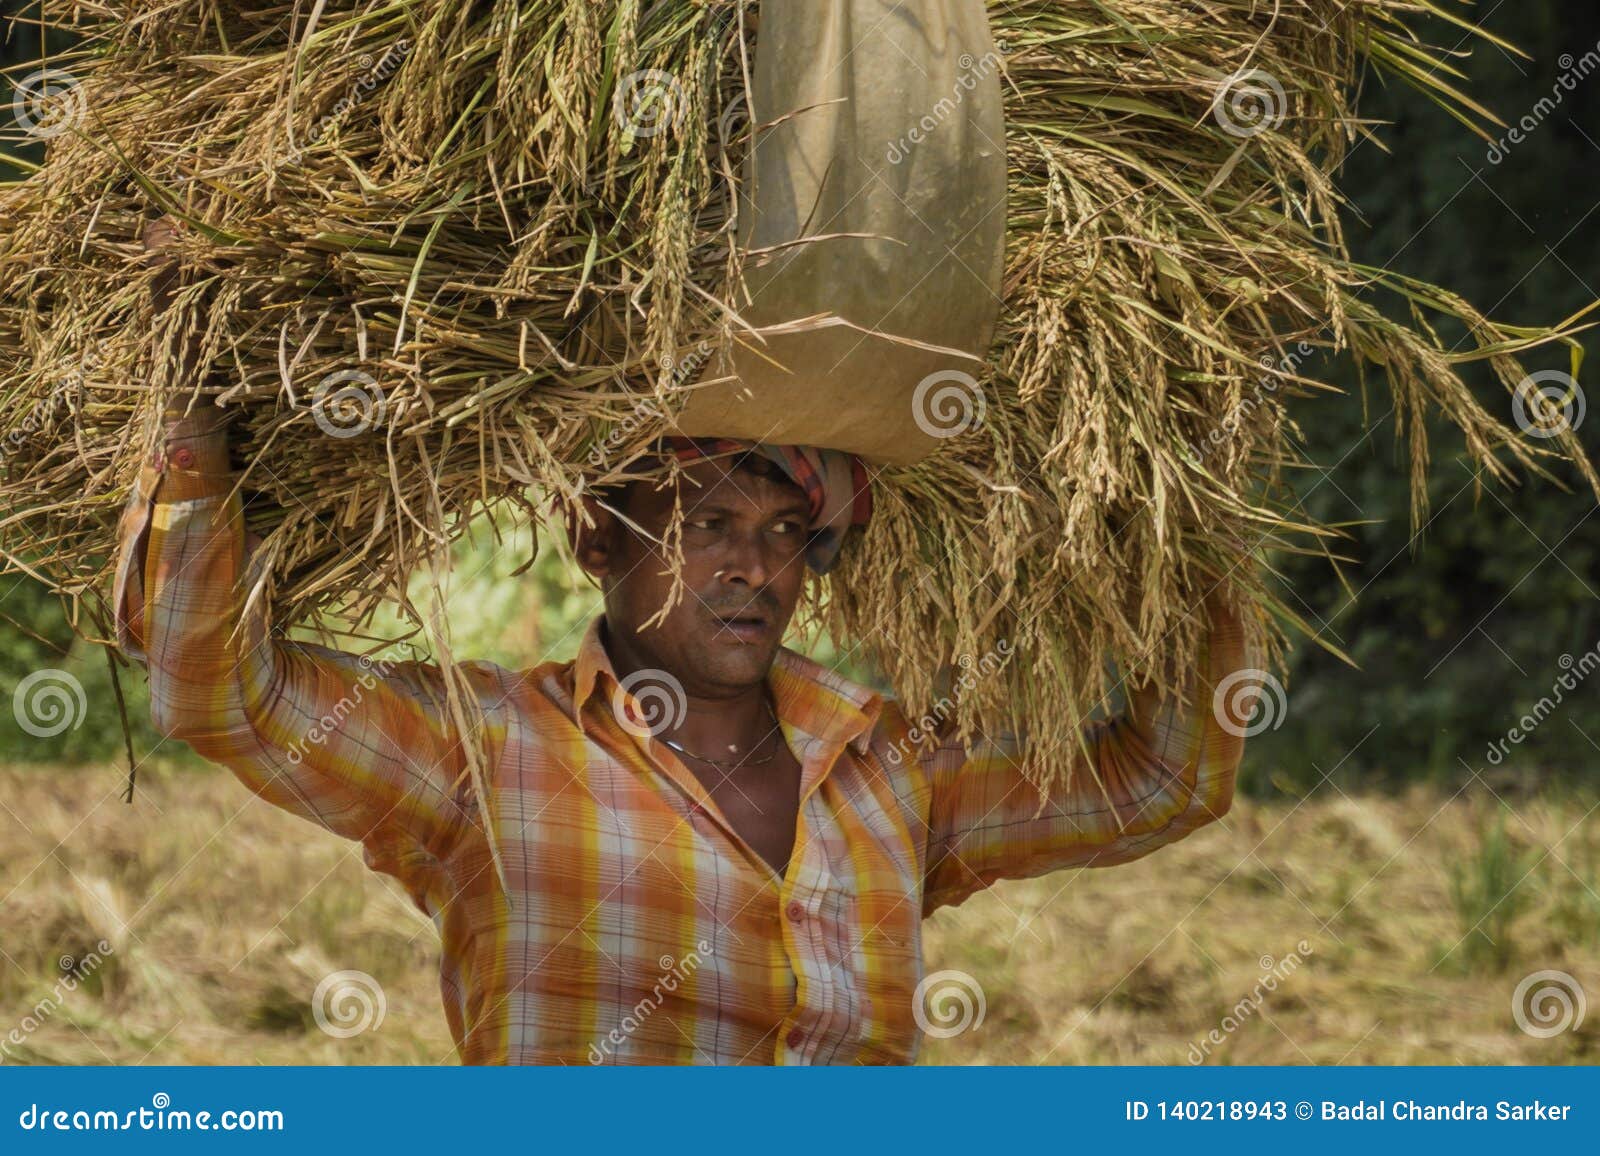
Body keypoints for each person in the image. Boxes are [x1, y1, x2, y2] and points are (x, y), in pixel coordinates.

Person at [115, 217, 1254, 1064]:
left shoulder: (889, 769)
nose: (755, 567)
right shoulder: (482, 754)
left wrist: (1189, 508)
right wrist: (191, 428)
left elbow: (1162, 779)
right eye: (707, 524)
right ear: (598, 541)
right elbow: (222, 693)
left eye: (786, 532)